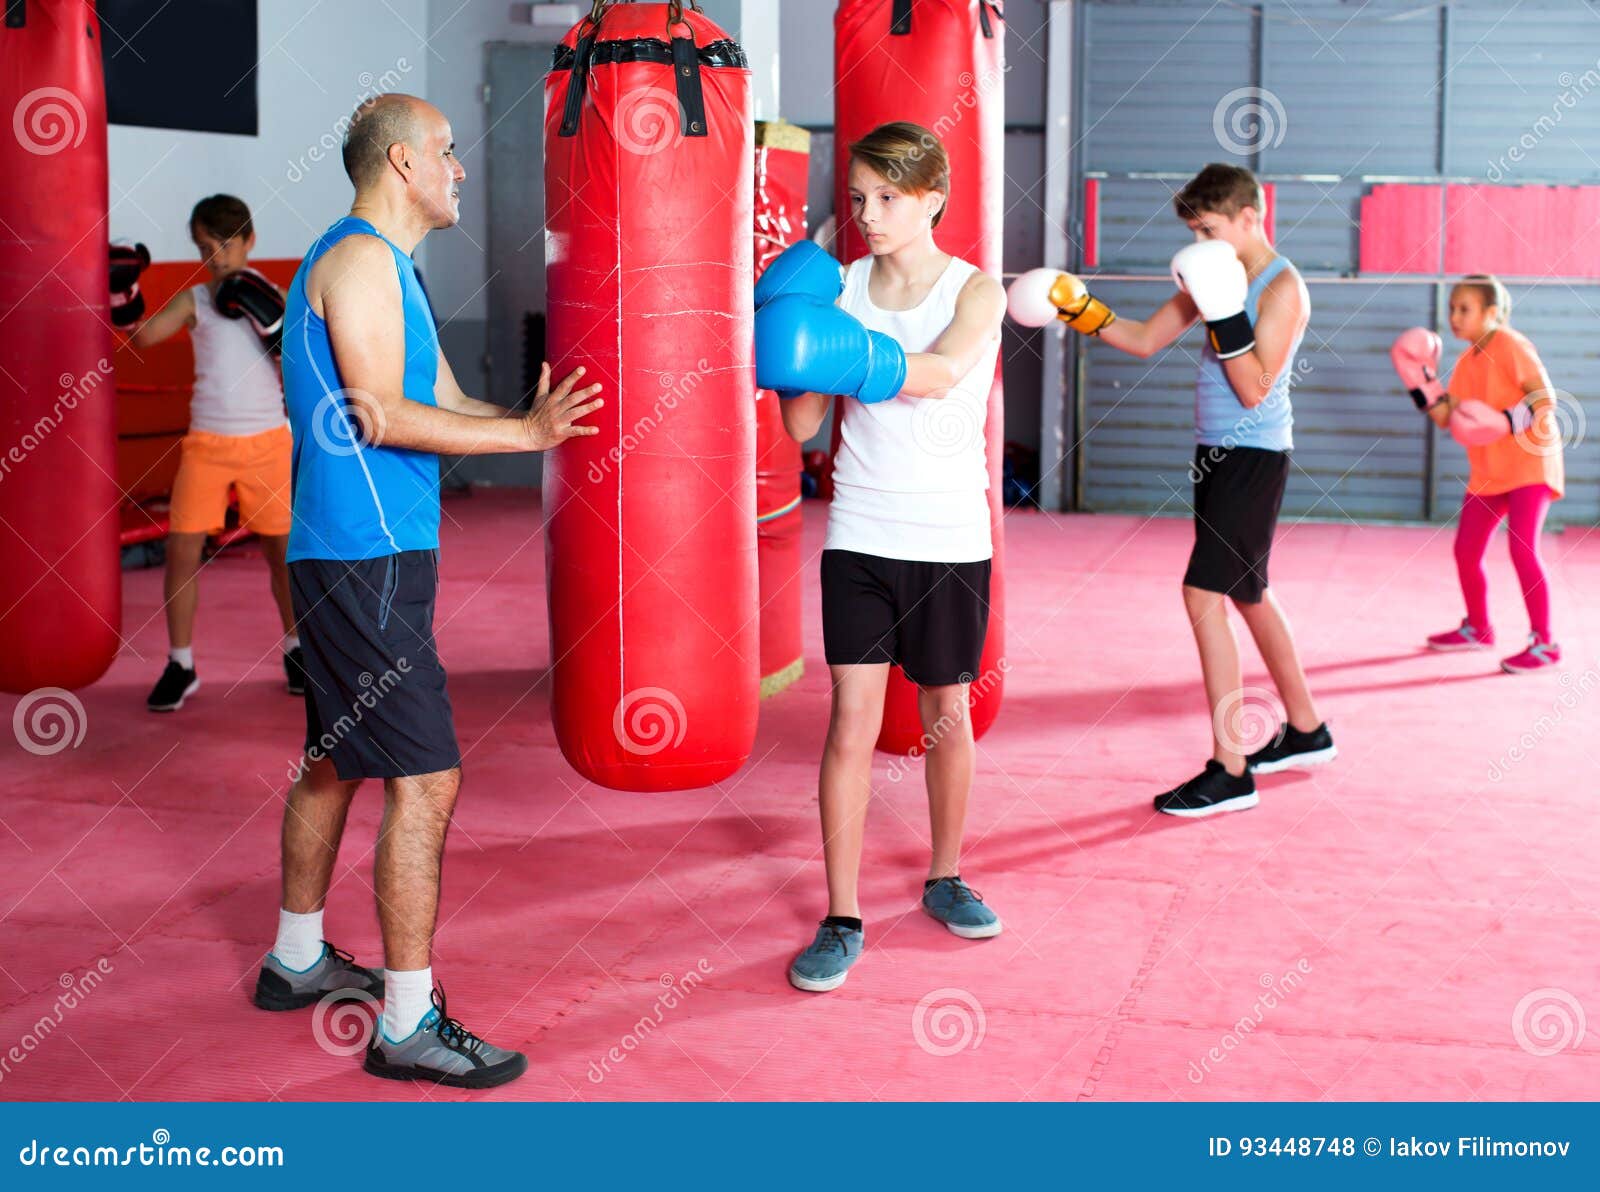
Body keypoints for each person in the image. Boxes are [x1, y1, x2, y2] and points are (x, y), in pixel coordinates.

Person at [250, 93, 602, 1088]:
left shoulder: (388, 266)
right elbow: (376, 412)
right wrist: (526, 439)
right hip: (364, 558)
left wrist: (530, 419)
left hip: (359, 554)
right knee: (427, 779)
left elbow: (442, 402)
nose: (459, 169)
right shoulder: (359, 257)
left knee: (332, 759)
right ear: (401, 162)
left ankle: (296, 956)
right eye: (447, 153)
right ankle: (408, 1024)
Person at [757, 122, 1007, 992]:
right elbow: (802, 428)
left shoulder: (979, 290)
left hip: (948, 537)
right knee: (850, 723)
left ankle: (945, 875)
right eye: (858, 198)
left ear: (933, 196)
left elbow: (939, 371)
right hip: (860, 532)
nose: (868, 214)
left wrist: (841, 347)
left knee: (947, 713)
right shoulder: (844, 289)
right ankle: (842, 913)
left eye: (887, 197)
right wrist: (786, 343)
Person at [1009, 163, 1335, 818]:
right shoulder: (1212, 272)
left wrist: (1222, 308)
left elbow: (1254, 387)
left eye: (1210, 228)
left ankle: (1230, 767)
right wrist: (1077, 307)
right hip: (1215, 453)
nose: (1202, 242)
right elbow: (1141, 339)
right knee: (1247, 592)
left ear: (1252, 215)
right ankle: (1306, 729)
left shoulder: (1281, 287)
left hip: (1254, 454)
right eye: (1194, 231)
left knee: (1202, 592)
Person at [124, 195, 298, 712]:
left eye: (225, 244)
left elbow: (308, 356)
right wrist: (123, 294)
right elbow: (145, 339)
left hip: (268, 441)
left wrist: (277, 322)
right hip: (207, 444)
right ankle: (181, 663)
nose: (216, 256)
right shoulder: (194, 300)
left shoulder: (277, 298)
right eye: (204, 247)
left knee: (282, 556)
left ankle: (297, 650)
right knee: (181, 552)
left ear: (249, 241)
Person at [1392, 276, 1564, 673]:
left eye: (1464, 309)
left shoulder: (1509, 344)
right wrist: (1418, 378)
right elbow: (1444, 417)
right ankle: (1479, 628)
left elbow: (1545, 398)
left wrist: (1506, 420)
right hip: (1489, 470)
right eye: (1451, 308)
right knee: (1466, 551)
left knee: (1522, 548)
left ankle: (1544, 642)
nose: (1454, 316)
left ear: (1492, 313)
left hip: (1529, 464)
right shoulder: (1467, 364)